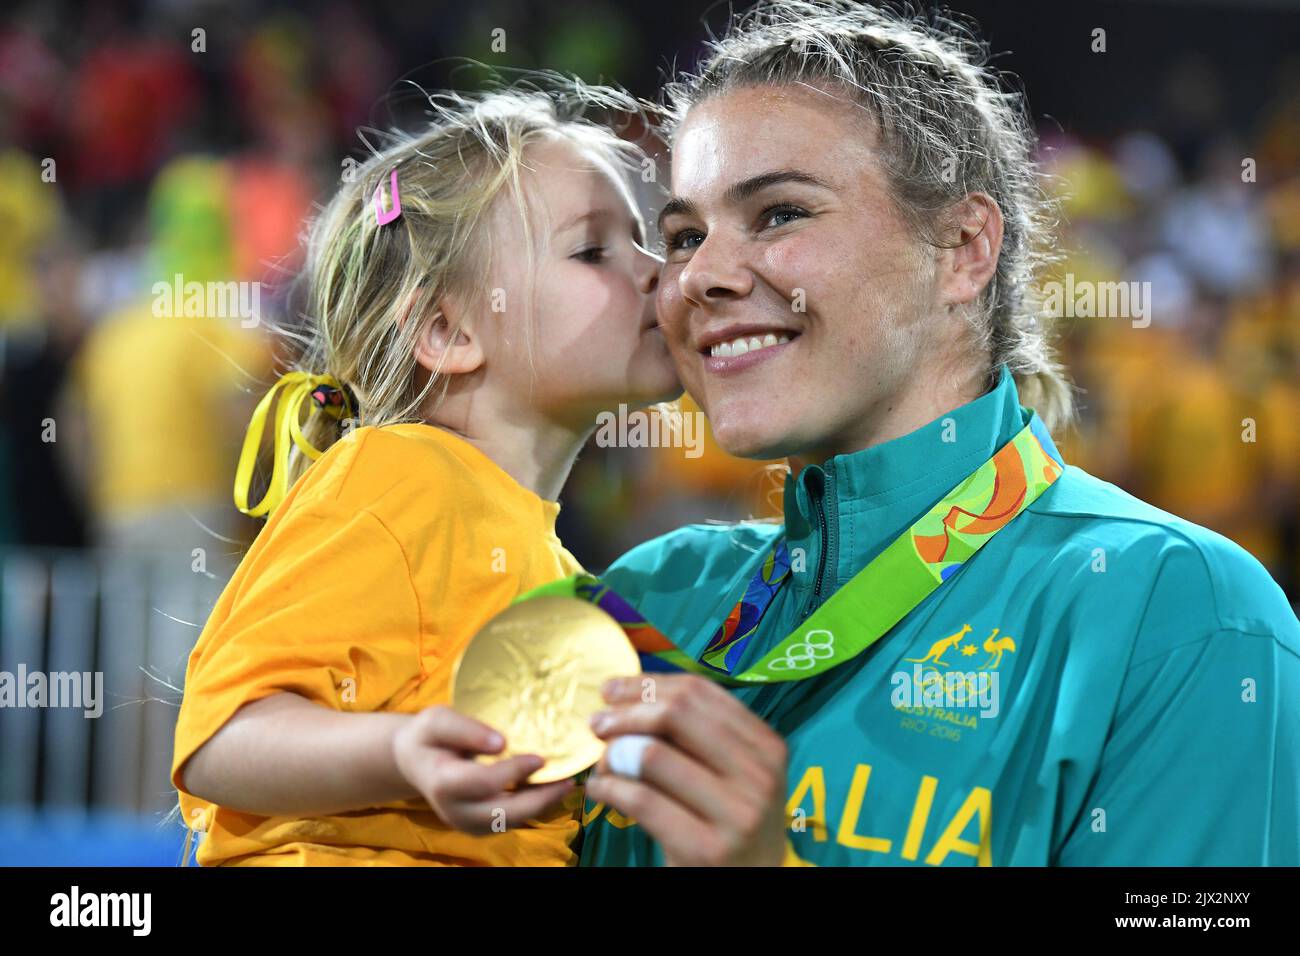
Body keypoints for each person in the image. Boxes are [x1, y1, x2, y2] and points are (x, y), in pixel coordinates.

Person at [576, 0, 1300, 866]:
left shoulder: (1179, 614)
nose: (702, 276)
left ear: (963, 248)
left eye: (779, 214)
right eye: (685, 234)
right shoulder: (654, 602)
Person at [170, 86, 680, 865]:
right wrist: (402, 750)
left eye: (644, 238)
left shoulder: (558, 567)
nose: (657, 270)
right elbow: (221, 736)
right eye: (594, 250)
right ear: (446, 330)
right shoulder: (396, 476)